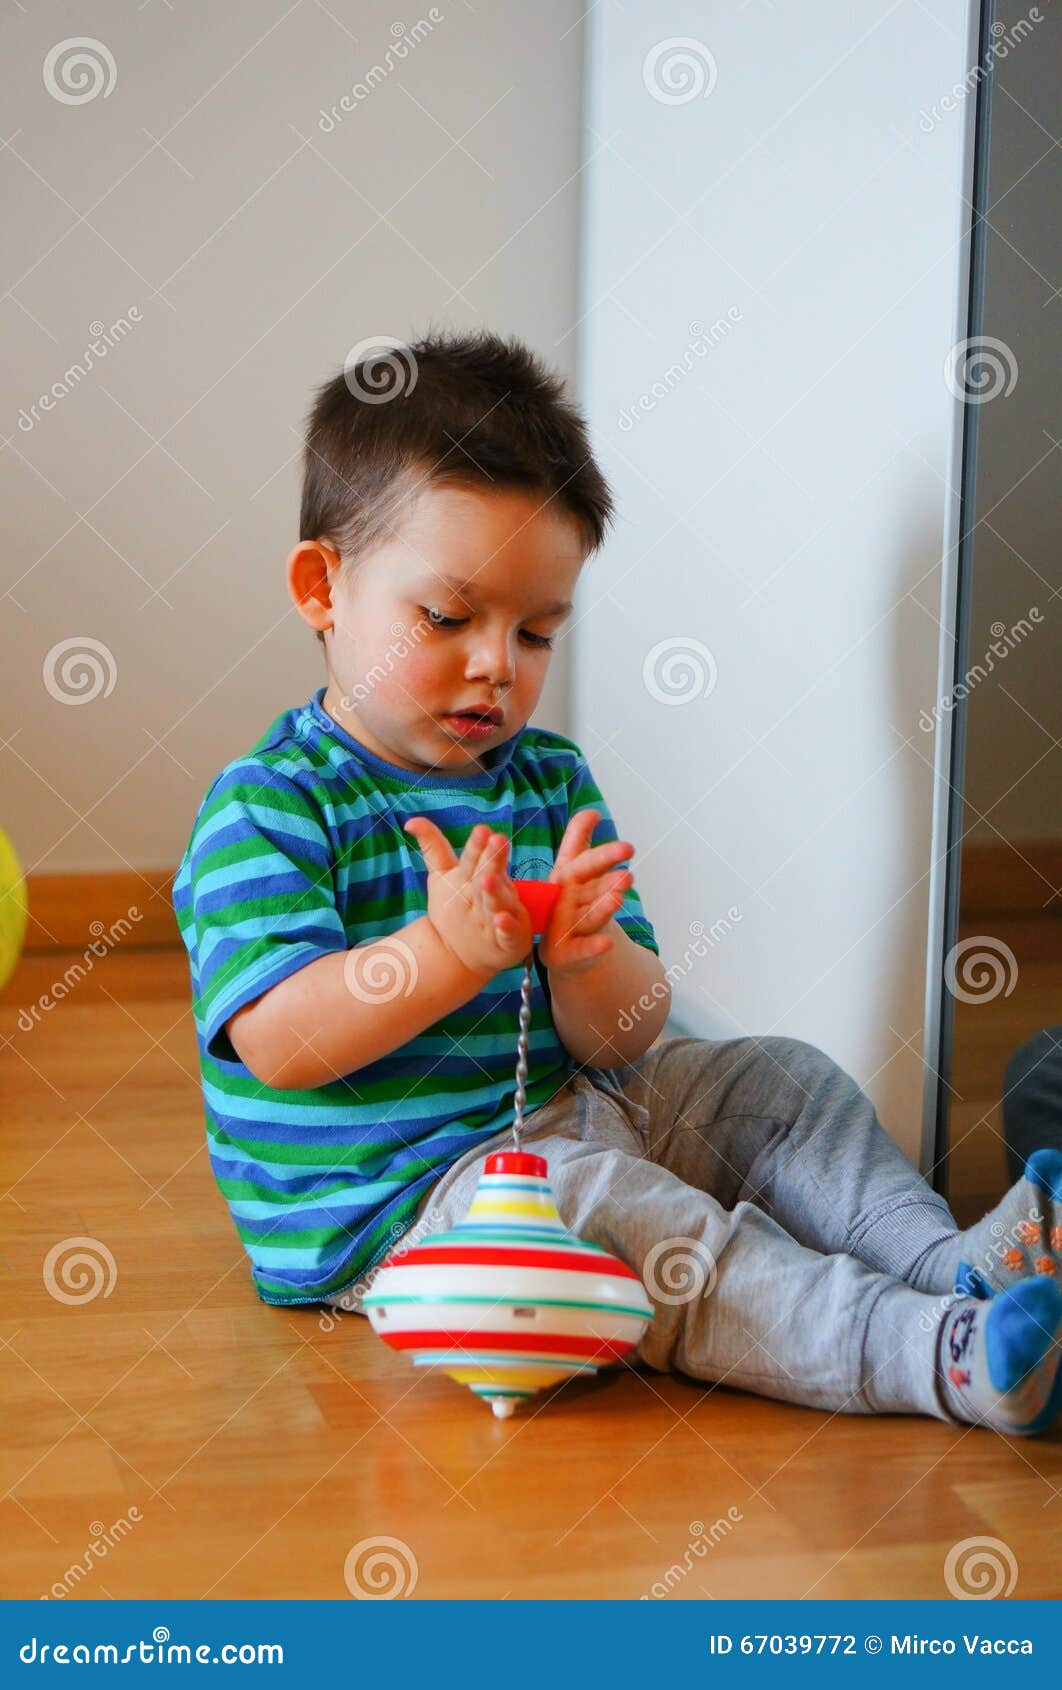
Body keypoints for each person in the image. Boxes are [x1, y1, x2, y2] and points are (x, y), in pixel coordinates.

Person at [173, 330, 1062, 1437]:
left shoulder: (548, 781)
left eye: (537, 629)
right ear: (322, 586)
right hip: (401, 1211)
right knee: (622, 1213)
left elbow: (622, 1037)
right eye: (447, 617)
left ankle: (950, 1262)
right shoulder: (271, 806)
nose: (498, 663)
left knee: (781, 1079)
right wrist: (443, 956)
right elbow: (281, 1042)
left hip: (574, 1111)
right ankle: (930, 1352)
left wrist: (587, 960)